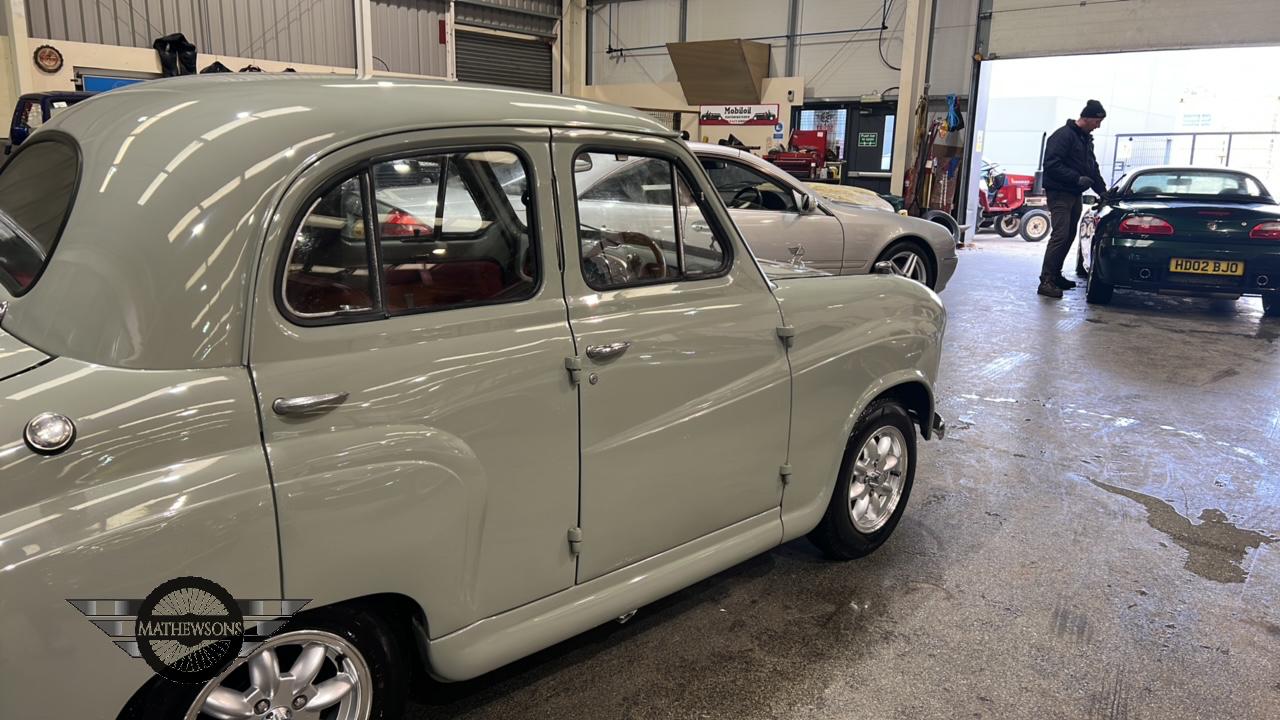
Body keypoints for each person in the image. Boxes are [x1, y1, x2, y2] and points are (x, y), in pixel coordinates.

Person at [1038, 100, 1107, 299]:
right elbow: (1051, 164)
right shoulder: (1063, 136)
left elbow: (1092, 169)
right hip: (1059, 193)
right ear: (1085, 118)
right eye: (1097, 121)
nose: (1098, 125)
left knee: (1068, 235)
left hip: (1074, 193)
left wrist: (1103, 191)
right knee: (1060, 234)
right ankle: (1047, 280)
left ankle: (1056, 275)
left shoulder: (1085, 140)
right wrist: (1075, 178)